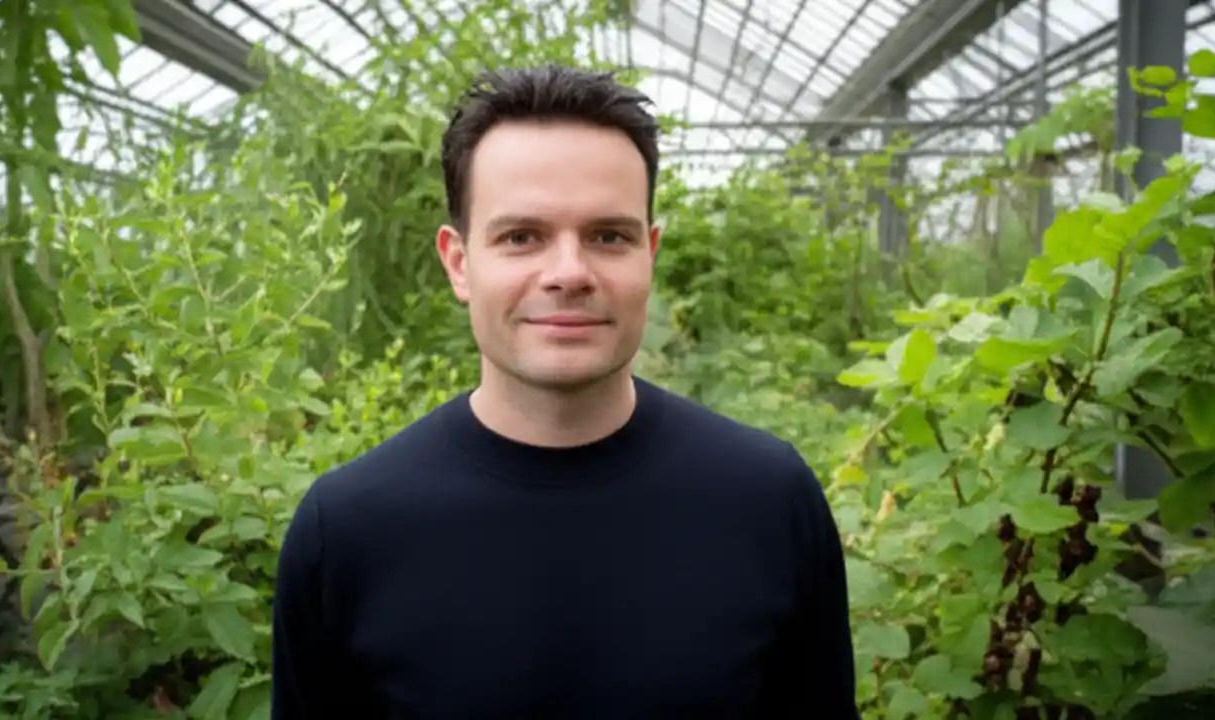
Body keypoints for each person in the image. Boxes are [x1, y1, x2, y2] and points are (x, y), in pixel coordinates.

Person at [270, 64, 859, 719]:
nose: (569, 273)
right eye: (522, 237)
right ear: (460, 263)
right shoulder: (349, 530)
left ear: (650, 254)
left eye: (609, 236)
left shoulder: (769, 501)